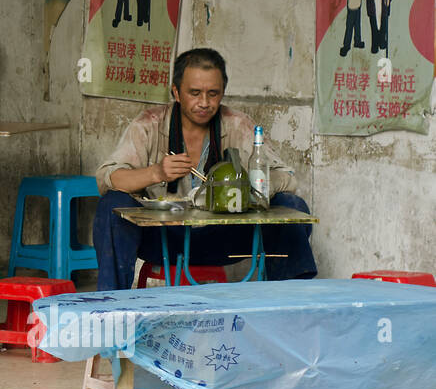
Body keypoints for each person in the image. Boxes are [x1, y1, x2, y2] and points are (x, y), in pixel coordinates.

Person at [92, 48, 316, 291]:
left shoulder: (238, 125)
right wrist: (156, 173)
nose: (204, 103)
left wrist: (248, 183)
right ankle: (112, 307)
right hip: (165, 237)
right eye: (194, 93)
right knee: (111, 206)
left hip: (225, 238)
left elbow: (288, 180)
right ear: (176, 92)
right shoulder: (149, 125)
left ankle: (292, 302)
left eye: (213, 94)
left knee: (292, 206)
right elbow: (107, 178)